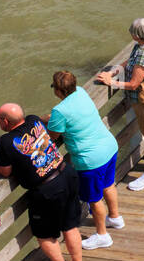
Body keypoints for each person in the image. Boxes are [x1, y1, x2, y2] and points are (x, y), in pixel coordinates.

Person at [0, 104, 86, 261]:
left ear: (4, 121)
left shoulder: (5, 141)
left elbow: (5, 171)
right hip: (66, 174)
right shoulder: (34, 119)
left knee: (44, 233)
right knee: (69, 225)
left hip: (47, 189)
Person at [96, 19, 144, 189]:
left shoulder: (143, 53)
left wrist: (112, 83)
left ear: (137, 35)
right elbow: (130, 62)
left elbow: (133, 84)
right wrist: (113, 72)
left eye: (132, 32)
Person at [47, 71, 122, 251]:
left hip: (91, 160)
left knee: (94, 200)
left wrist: (47, 121)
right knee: (108, 185)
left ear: (59, 91)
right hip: (109, 147)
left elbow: (53, 135)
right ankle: (115, 218)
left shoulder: (59, 111)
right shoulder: (80, 92)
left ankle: (102, 235)